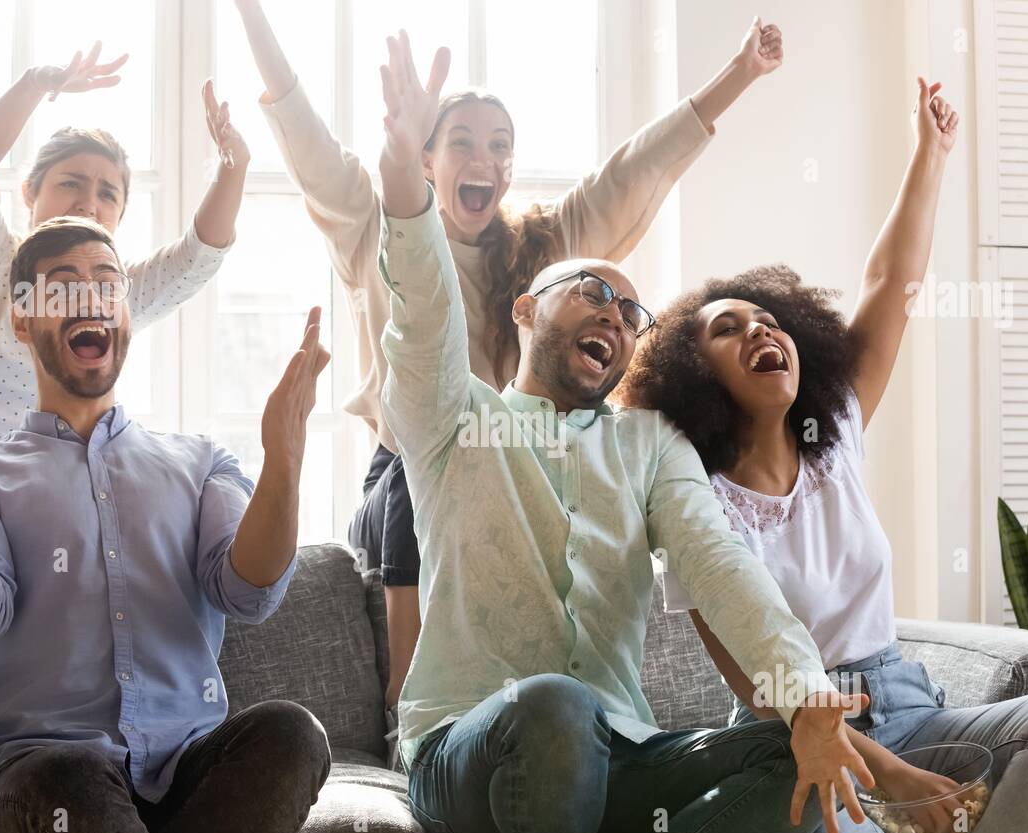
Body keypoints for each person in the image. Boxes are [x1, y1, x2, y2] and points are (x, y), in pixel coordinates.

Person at [373, 31, 873, 833]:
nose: (614, 314)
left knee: (805, 753)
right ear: (527, 311)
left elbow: (719, 564)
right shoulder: (451, 418)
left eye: (630, 314)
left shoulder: (649, 444)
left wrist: (805, 694)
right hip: (468, 749)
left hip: (620, 751)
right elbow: (422, 312)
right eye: (594, 292)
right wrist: (401, 183)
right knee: (557, 707)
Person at [235, 0, 789, 741]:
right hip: (408, 473)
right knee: (414, 464)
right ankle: (412, 705)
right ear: (426, 158)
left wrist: (742, 72)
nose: (482, 158)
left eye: (499, 146)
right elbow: (302, 135)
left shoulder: (542, 255)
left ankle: (570, 723)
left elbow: (633, 170)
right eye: (460, 140)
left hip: (514, 483)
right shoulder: (378, 222)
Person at [621, 80, 1028, 833]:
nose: (761, 328)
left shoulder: (836, 433)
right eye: (728, 329)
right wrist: (885, 776)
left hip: (906, 705)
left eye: (768, 319)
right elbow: (759, 691)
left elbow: (891, 287)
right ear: (695, 376)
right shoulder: (695, 502)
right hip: (792, 740)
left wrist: (931, 154)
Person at [0, 217, 331, 833]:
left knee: (292, 732)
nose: (89, 299)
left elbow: (248, 591)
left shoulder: (199, 463)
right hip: (41, 781)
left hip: (185, 776)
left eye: (107, 283)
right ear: (21, 321)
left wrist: (284, 459)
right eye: (62, 288)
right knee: (68, 773)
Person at [0, 43, 247, 791]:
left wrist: (232, 164)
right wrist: (42, 84)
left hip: (55, 518)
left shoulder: (113, 290)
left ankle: (177, 759)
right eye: (72, 182)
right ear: (30, 194)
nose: (90, 199)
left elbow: (202, 253)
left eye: (109, 193)